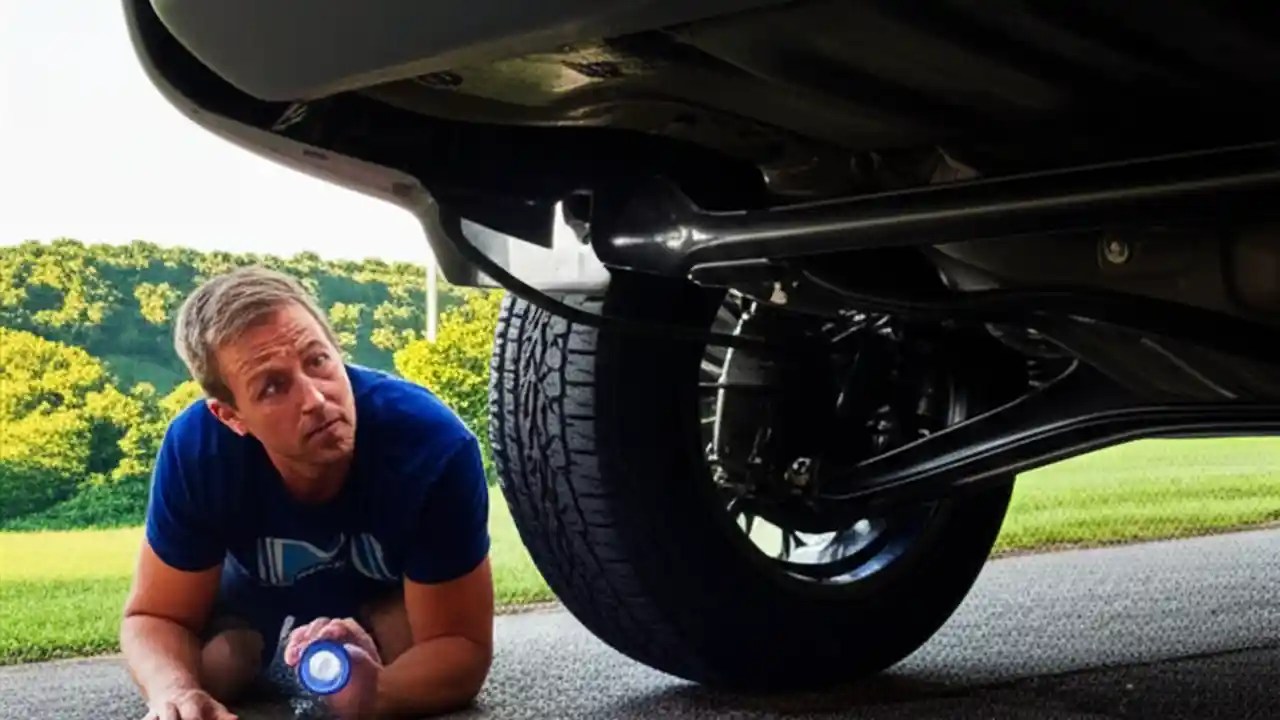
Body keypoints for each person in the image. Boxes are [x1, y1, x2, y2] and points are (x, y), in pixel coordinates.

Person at [119, 266, 494, 720]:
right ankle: (250, 645)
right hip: (248, 601)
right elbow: (155, 617)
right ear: (231, 416)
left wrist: (378, 692)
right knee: (218, 669)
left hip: (383, 595)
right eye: (273, 386)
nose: (315, 399)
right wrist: (175, 693)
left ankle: (369, 639)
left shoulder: (431, 445)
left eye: (318, 360)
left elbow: (461, 649)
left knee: (405, 651)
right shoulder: (198, 450)